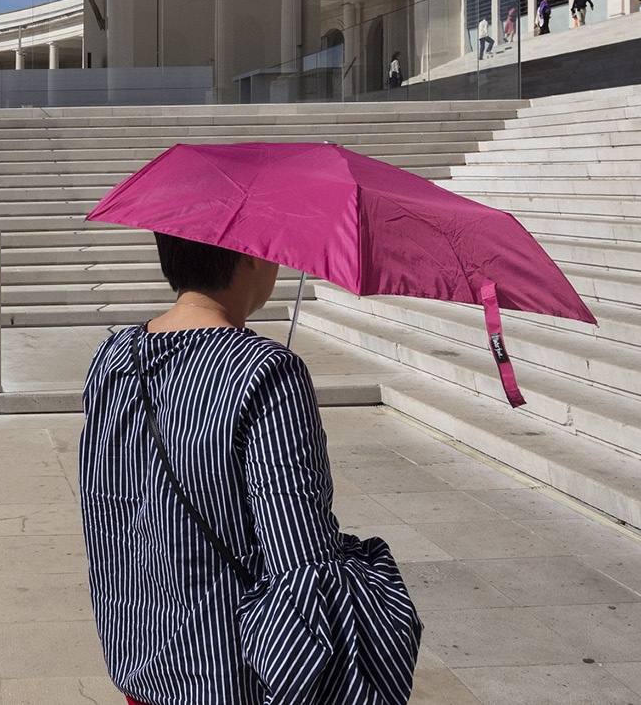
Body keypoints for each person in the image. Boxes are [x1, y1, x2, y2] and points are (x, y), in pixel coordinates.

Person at [81, 234, 421, 705]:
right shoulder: (268, 373)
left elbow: (110, 513)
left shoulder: (113, 358)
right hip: (236, 677)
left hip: (142, 664)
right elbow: (299, 555)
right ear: (246, 256)